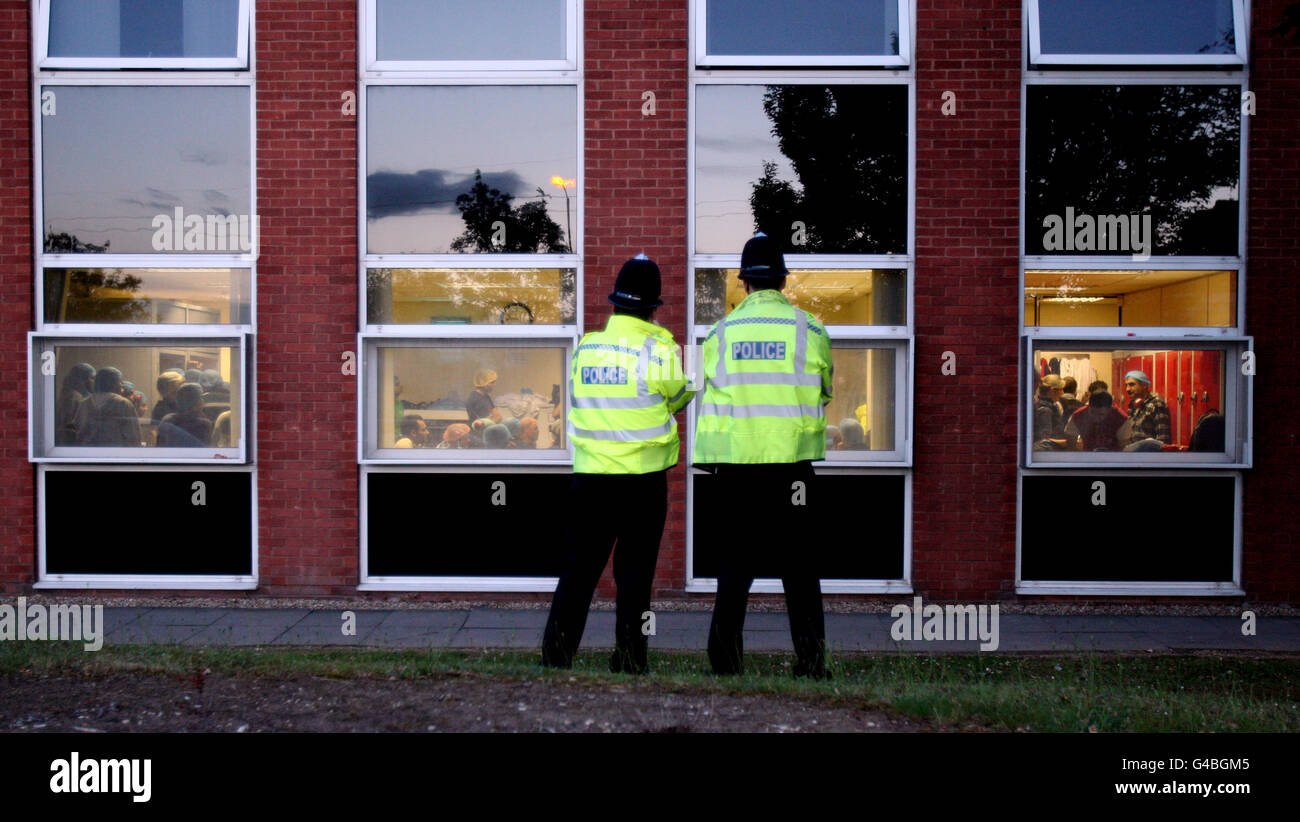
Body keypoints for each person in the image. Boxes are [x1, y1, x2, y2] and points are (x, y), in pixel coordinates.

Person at [542, 254, 695, 674]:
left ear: (614, 303)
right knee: (635, 576)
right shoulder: (659, 346)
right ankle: (629, 659)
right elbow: (681, 396)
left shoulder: (586, 348)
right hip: (643, 481)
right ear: (652, 307)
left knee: (577, 573)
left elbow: (578, 400)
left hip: (590, 479)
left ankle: (556, 657)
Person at [694, 232, 833, 679]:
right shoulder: (810, 329)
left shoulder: (719, 333)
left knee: (734, 568)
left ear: (745, 284)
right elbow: (824, 391)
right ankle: (811, 664)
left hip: (735, 470)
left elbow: (710, 391)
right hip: (792, 469)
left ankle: (725, 663)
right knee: (799, 569)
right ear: (781, 282)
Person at [74, 367, 142, 447]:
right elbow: (133, 437)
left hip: (89, 454)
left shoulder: (84, 403)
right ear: (114, 383)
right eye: (120, 382)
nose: (122, 387)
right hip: (114, 455)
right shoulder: (123, 404)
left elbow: (78, 432)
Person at [1120, 370, 1171, 451]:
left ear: (1144, 385)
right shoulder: (1132, 404)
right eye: (1126, 385)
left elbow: (1163, 438)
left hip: (1149, 455)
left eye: (1132, 385)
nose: (1127, 389)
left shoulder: (1156, 404)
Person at [56, 362, 95, 445]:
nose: (94, 382)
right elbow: (70, 427)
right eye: (92, 378)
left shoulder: (73, 395)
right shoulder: (74, 397)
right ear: (82, 379)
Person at [1032, 374, 1071, 450]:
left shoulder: (1050, 406)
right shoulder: (1046, 410)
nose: (1063, 392)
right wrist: (1067, 442)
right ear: (1053, 391)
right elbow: (1044, 441)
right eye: (1061, 389)